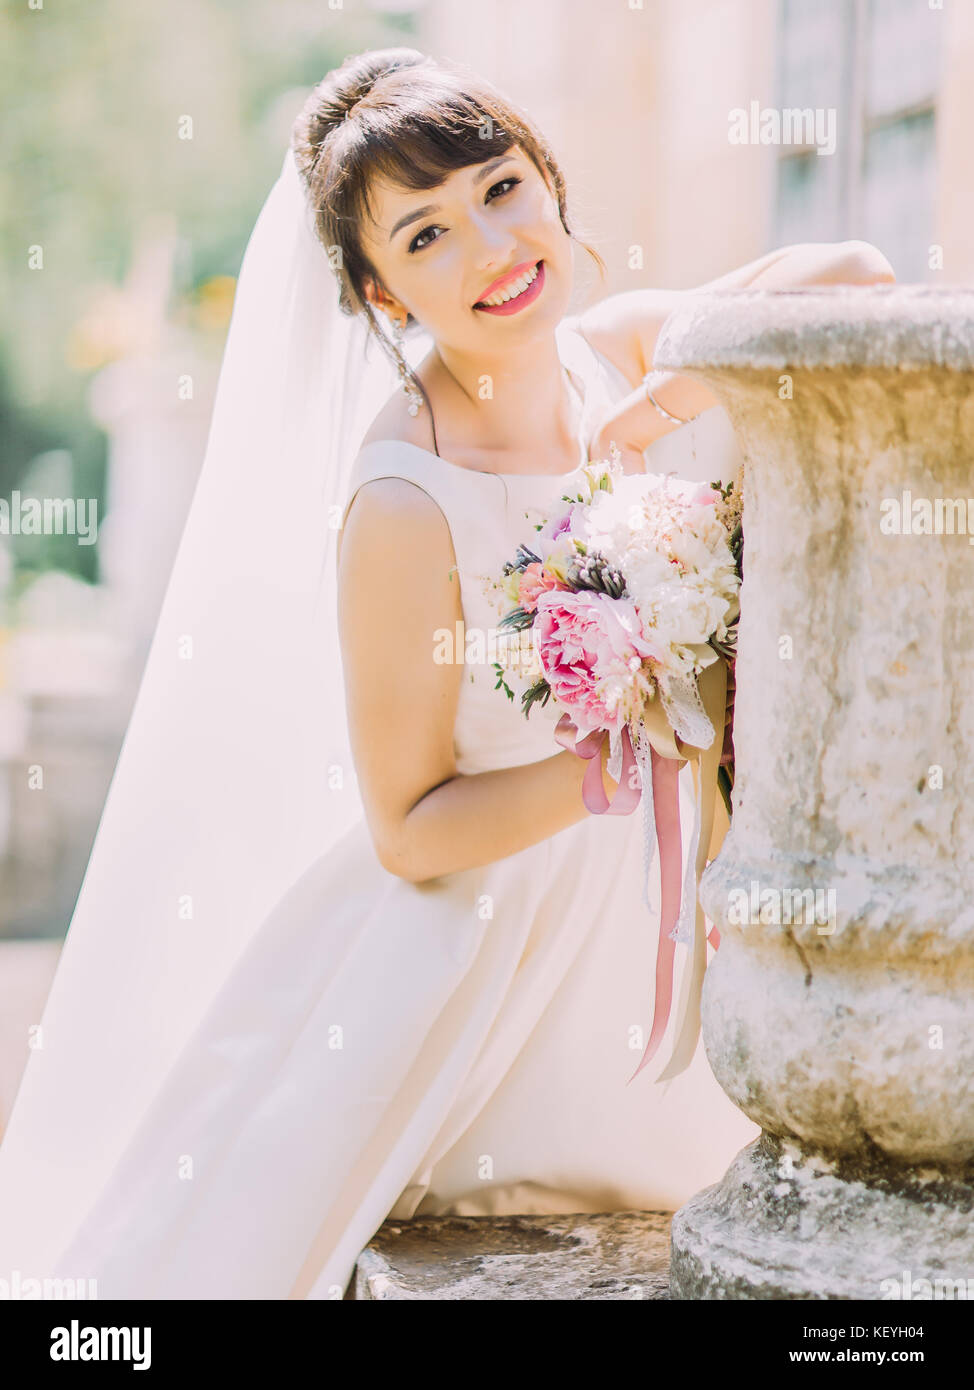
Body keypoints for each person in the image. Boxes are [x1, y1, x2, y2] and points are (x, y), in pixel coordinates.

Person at [0, 47, 895, 1301]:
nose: (489, 246)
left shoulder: (611, 355)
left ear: (546, 178)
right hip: (478, 958)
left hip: (638, 919)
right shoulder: (403, 498)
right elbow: (409, 829)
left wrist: (647, 415)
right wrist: (617, 755)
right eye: (425, 236)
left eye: (499, 187)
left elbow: (853, 280)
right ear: (378, 289)